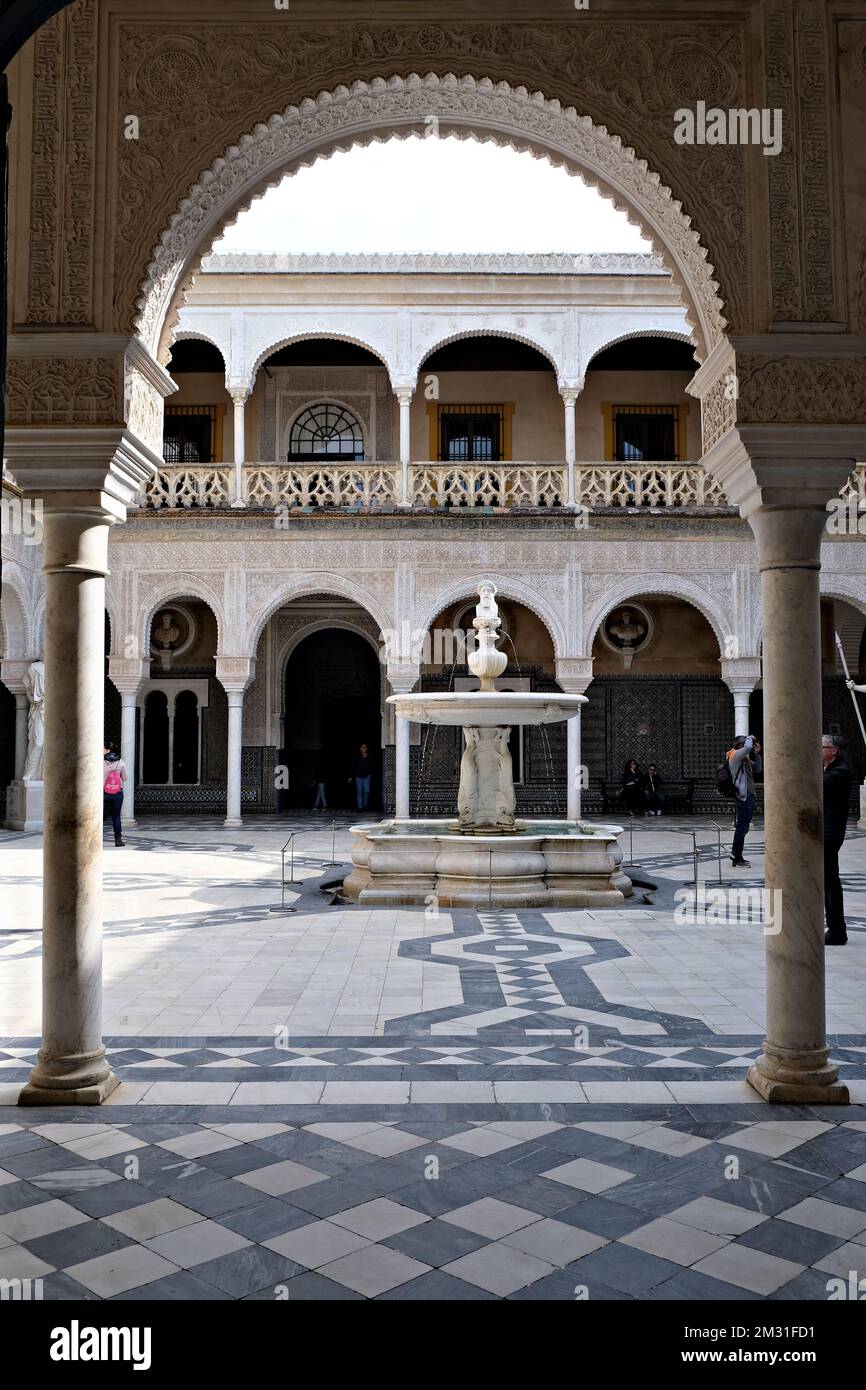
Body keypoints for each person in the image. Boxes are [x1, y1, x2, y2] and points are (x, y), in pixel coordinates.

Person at [822, 733, 852, 946]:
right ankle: (833, 927)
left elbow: (814, 784)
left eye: (821, 746)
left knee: (831, 882)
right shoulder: (830, 769)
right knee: (827, 881)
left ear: (833, 751)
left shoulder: (840, 772)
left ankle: (837, 931)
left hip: (830, 834)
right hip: (825, 831)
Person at [727, 733, 762, 867]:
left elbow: (758, 769)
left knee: (744, 827)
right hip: (743, 797)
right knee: (742, 827)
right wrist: (751, 737)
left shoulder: (745, 760)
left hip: (749, 796)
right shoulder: (734, 756)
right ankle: (736, 857)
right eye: (746, 744)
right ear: (740, 746)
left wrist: (757, 754)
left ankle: (737, 855)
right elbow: (747, 748)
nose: (749, 748)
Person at [103, 742, 128, 847]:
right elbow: (125, 778)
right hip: (117, 792)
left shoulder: (100, 761)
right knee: (116, 816)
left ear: (108, 750)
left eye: (103, 748)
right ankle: (118, 840)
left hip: (103, 792)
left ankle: (93, 839)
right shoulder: (120, 762)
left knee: (101, 816)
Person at [348, 743, 373, 811]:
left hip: (367, 776)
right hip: (358, 776)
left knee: (367, 791)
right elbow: (353, 767)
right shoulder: (357, 758)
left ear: (367, 749)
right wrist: (350, 776)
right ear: (360, 749)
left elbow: (371, 766)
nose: (364, 748)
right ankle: (360, 807)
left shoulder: (369, 757)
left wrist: (365, 758)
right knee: (359, 792)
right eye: (362, 747)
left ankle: (365, 804)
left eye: (365, 747)